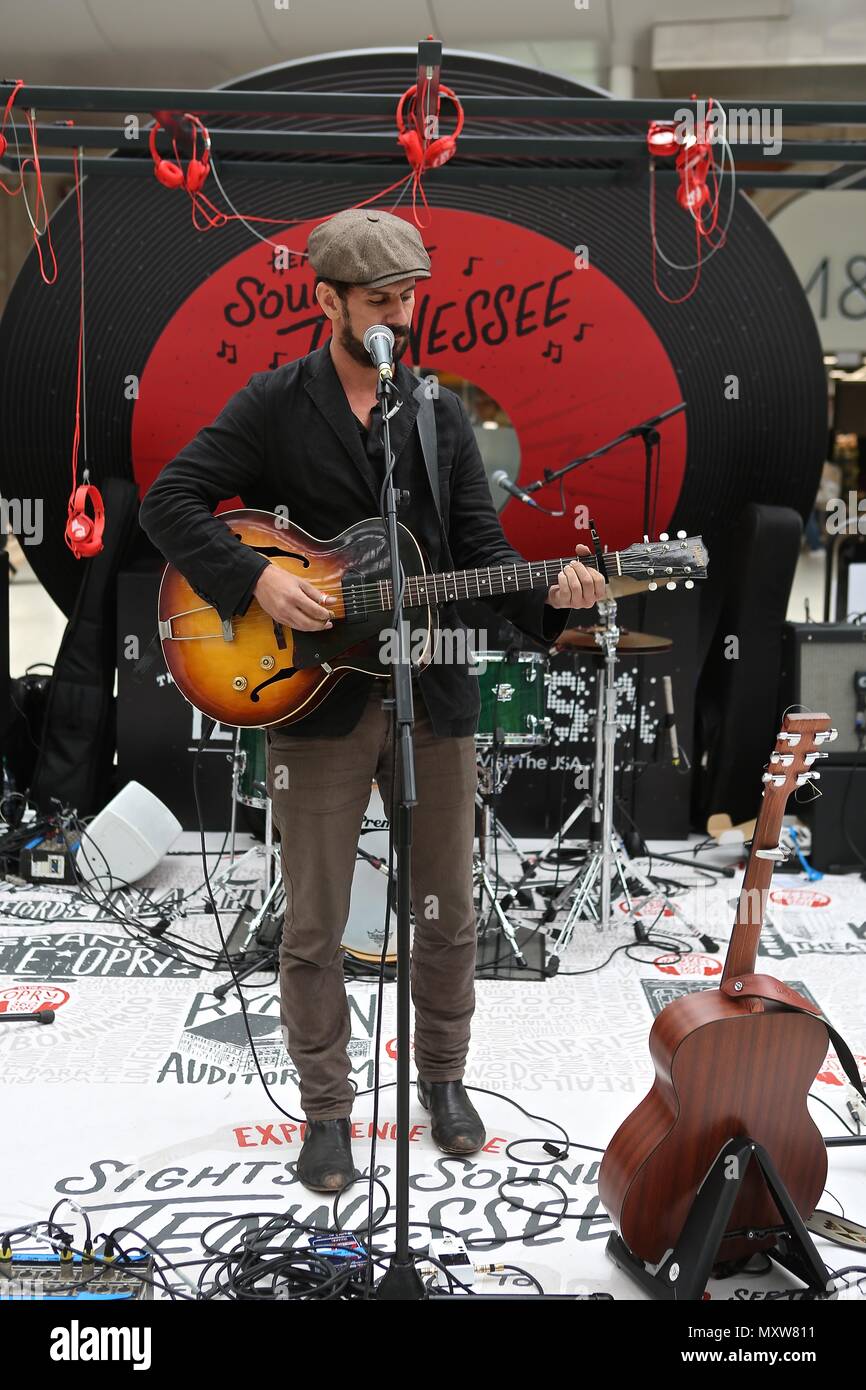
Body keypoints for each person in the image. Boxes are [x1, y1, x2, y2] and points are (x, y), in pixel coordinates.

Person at [139, 208, 606, 1193]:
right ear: (327, 301)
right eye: (379, 299)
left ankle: (442, 1079)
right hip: (310, 702)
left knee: (442, 911)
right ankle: (323, 1113)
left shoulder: (435, 419)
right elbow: (168, 500)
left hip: (429, 694)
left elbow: (478, 557)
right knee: (311, 925)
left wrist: (549, 594)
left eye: (408, 297)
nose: (399, 313)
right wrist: (256, 582)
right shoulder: (274, 403)